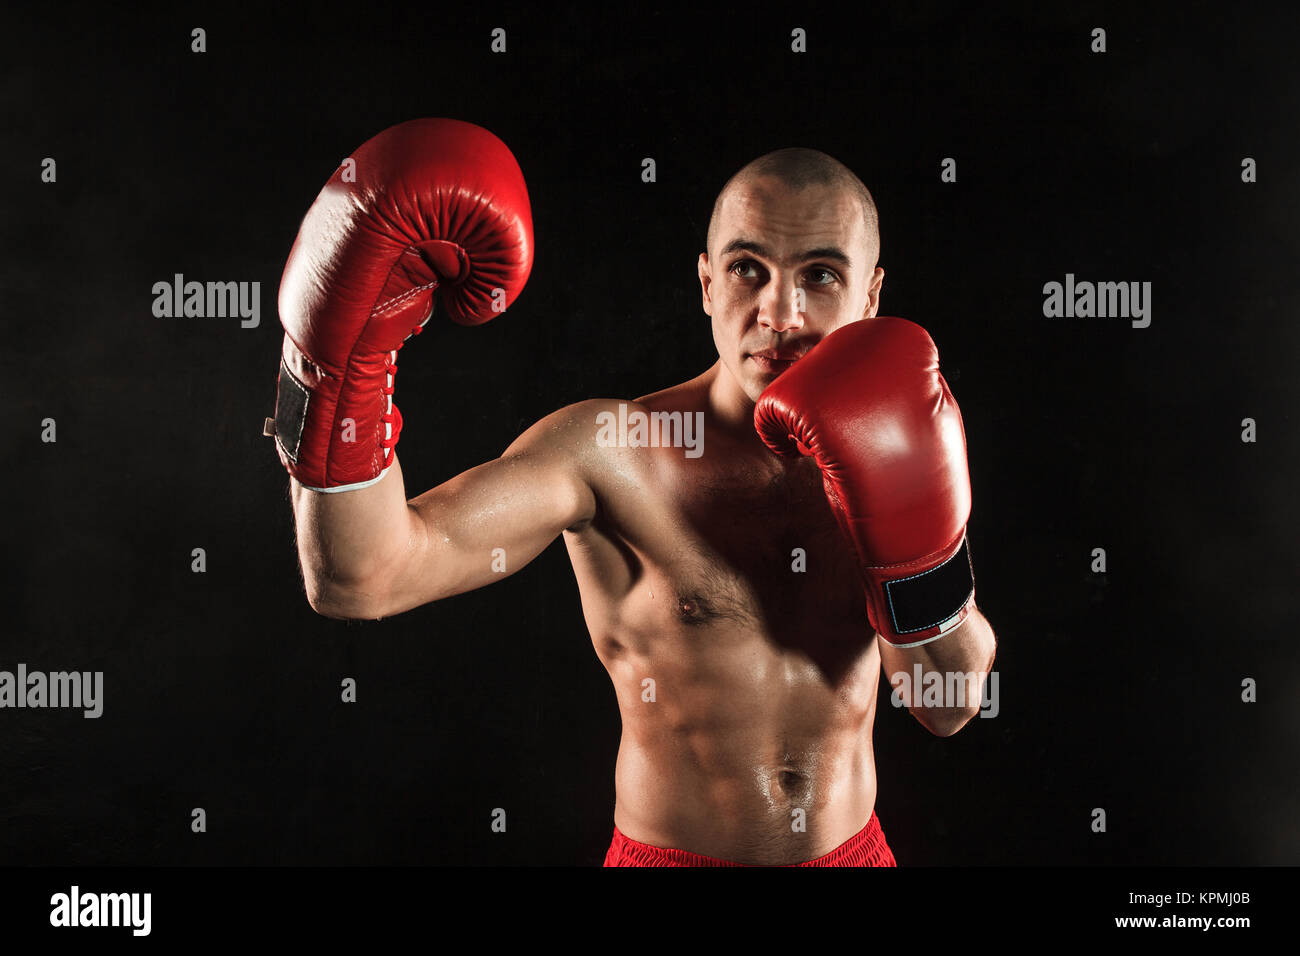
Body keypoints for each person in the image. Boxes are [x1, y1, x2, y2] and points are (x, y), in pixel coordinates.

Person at [264, 118, 997, 867]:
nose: (781, 315)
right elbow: (361, 577)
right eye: (749, 269)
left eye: (820, 274)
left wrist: (918, 554)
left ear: (871, 294)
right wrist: (332, 376)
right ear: (707, 282)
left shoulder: (901, 439)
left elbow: (949, 707)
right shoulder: (612, 454)